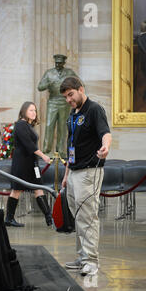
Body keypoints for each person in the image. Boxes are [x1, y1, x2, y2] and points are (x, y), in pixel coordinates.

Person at [60, 77, 112, 276]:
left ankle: (91, 260)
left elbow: (105, 133)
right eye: (65, 97)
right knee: (78, 216)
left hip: (89, 172)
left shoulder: (94, 109)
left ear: (81, 89)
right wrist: (66, 174)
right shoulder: (72, 115)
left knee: (88, 216)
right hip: (73, 172)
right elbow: (70, 147)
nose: (68, 100)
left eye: (71, 94)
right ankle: (82, 257)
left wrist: (106, 146)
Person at [5, 101, 53, 228]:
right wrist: (43, 156)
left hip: (32, 163)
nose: (34, 112)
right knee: (17, 190)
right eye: (31, 110)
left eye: (35, 110)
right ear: (24, 111)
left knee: (38, 188)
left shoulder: (28, 126)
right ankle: (9, 219)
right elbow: (29, 145)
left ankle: (49, 218)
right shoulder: (21, 124)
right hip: (22, 163)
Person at [38, 54, 80, 158]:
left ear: (63, 63)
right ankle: (46, 151)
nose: (57, 64)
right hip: (52, 101)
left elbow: (79, 83)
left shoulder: (69, 72)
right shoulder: (49, 73)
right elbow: (40, 87)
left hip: (65, 102)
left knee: (63, 127)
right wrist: (48, 83)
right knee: (49, 125)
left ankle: (61, 152)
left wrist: (76, 93)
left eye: (60, 63)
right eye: (56, 62)